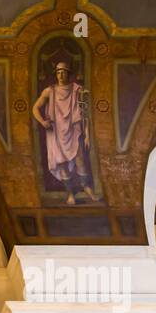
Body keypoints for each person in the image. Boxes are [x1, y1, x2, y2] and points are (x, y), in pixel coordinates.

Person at [32, 60, 97, 205]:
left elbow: (85, 115)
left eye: (64, 72)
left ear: (68, 73)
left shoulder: (78, 90)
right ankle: (70, 194)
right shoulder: (49, 91)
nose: (61, 75)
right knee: (61, 163)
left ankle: (86, 188)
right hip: (55, 132)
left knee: (80, 160)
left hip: (73, 130)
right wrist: (43, 122)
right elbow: (35, 108)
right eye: (58, 72)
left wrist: (86, 135)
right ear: (56, 74)